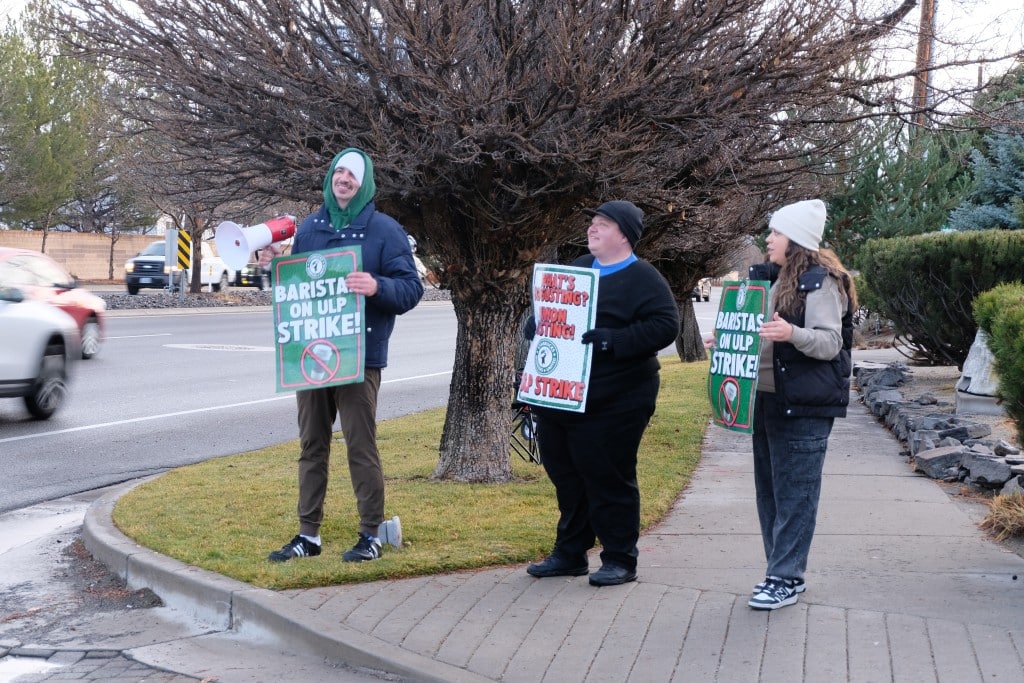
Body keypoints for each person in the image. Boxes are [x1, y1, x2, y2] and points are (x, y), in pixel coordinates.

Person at [268, 148, 424, 563]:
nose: (344, 179)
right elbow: (297, 287)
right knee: (311, 445)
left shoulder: (385, 230)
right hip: (311, 355)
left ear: (365, 182)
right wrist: (276, 268)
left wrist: (377, 286)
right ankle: (308, 535)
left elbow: (411, 289)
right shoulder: (310, 228)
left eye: (352, 174)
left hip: (359, 357)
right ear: (329, 178)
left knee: (360, 445)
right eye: (338, 171)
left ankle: (370, 534)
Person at [526, 200, 679, 586]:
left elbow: (665, 326)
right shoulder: (577, 269)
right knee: (565, 473)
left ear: (624, 234)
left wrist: (615, 340)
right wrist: (539, 322)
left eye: (602, 224)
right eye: (592, 223)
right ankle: (570, 553)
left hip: (619, 396)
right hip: (563, 395)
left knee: (608, 474)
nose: (592, 229)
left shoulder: (644, 278)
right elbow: (553, 310)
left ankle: (619, 558)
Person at [745, 198, 857, 609]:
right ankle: (779, 571)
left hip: (804, 406)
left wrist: (791, 333)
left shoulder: (821, 282)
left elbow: (829, 343)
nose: (768, 239)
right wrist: (729, 338)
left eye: (775, 232)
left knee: (796, 493)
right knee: (770, 493)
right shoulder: (774, 280)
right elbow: (767, 335)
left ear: (795, 239)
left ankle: (785, 577)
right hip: (767, 401)